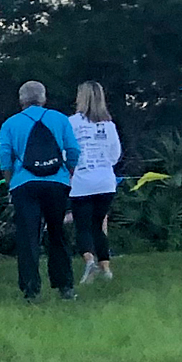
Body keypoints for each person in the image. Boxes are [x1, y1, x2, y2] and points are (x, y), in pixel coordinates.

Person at [0, 81, 82, 302]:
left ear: (21, 100)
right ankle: (65, 286)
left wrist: (11, 182)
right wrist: (67, 172)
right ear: (44, 99)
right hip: (57, 182)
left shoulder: (10, 124)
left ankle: (31, 289)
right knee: (57, 234)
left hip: (24, 184)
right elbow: (73, 149)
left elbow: (4, 157)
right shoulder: (60, 118)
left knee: (28, 236)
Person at [68, 82, 122, 284]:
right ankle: (106, 267)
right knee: (98, 225)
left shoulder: (72, 123)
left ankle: (89, 260)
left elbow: (68, 151)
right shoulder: (109, 125)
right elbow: (115, 155)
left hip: (81, 181)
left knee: (82, 226)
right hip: (105, 182)